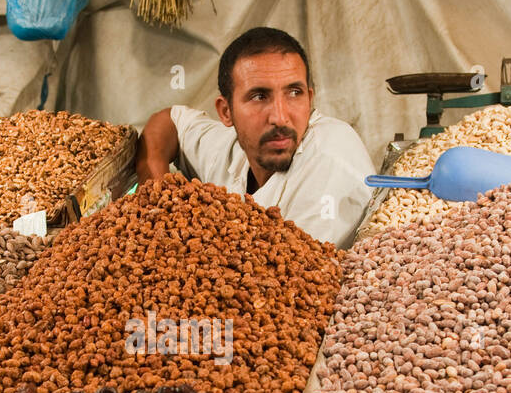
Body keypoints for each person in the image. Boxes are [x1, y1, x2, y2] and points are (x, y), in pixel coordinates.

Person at [135, 27, 374, 248]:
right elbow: (169, 122)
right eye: (259, 96)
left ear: (310, 99)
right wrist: (160, 199)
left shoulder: (329, 158)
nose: (280, 118)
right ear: (226, 112)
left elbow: (287, 282)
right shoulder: (233, 148)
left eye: (294, 93)